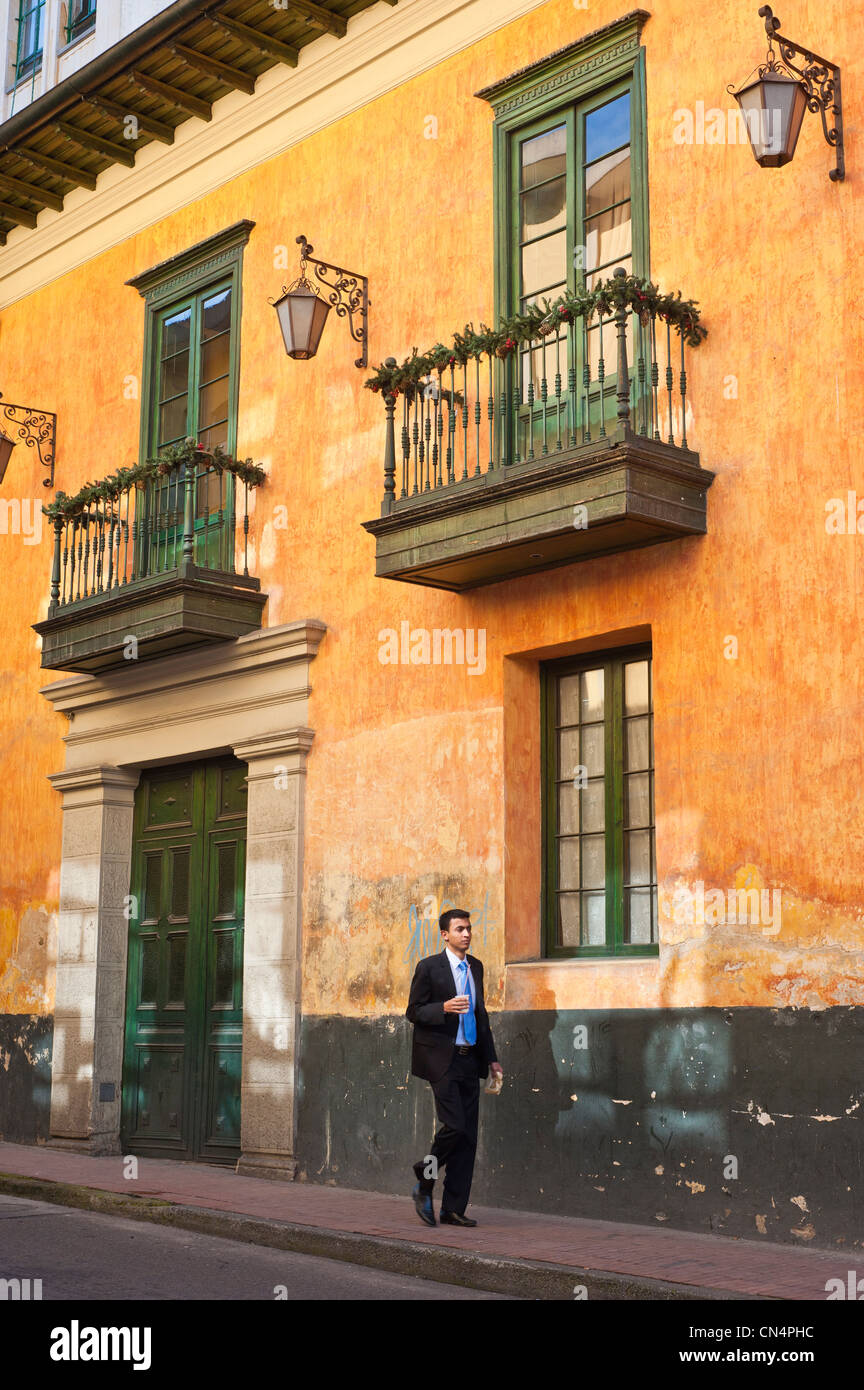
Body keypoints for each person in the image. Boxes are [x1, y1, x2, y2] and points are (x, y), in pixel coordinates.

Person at [405, 908, 503, 1227]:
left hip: (469, 1058)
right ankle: (425, 1178)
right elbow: (413, 1011)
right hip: (440, 1060)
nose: (466, 934)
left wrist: (491, 1058)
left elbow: (481, 1015)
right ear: (445, 934)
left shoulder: (476, 967)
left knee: (468, 1137)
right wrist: (443, 1008)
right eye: (459, 929)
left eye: (469, 929)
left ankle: (452, 1208)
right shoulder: (429, 967)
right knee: (455, 1127)